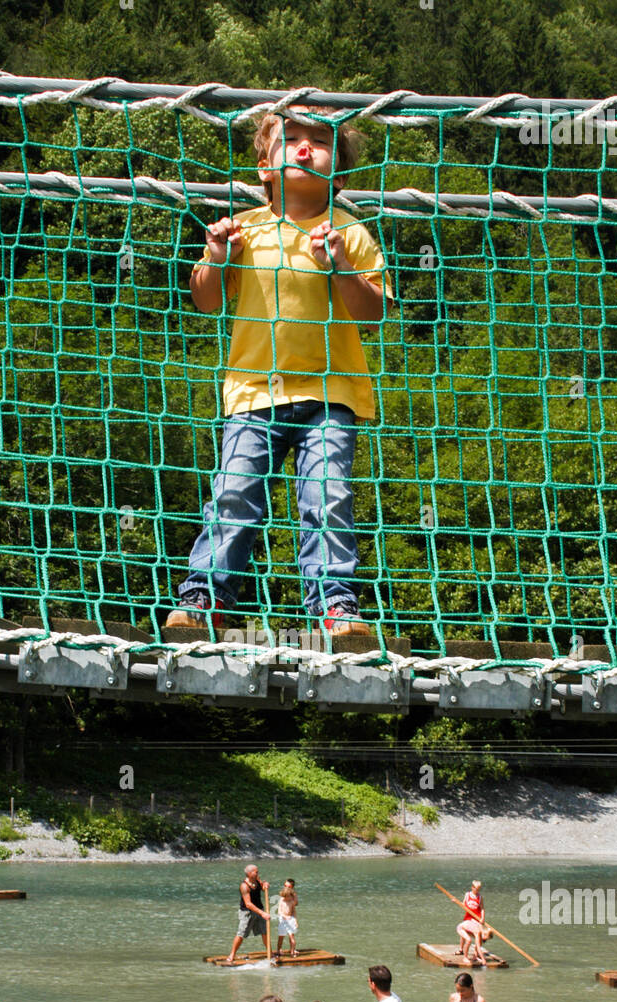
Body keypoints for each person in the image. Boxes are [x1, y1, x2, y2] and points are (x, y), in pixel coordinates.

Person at [166, 105, 392, 639]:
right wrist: (219, 254)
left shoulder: (350, 233)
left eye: (320, 140)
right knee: (235, 492)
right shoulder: (242, 229)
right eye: (292, 139)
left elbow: (375, 312)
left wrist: (338, 266)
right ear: (265, 167)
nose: (307, 148)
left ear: (337, 169)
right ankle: (205, 598)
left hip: (330, 392)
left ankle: (334, 605)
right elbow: (205, 299)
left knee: (328, 497)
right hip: (251, 393)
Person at [226, 864, 270, 963]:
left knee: (264, 932)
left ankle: (270, 952)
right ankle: (232, 954)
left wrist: (265, 885)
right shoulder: (244, 886)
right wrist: (262, 913)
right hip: (247, 912)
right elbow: (248, 904)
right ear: (250, 873)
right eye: (256, 872)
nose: (258, 873)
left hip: (259, 910)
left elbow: (262, 887)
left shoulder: (257, 879)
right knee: (241, 933)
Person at [456, 879, 491, 964]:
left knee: (478, 937)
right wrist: (457, 902)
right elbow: (463, 904)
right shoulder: (467, 895)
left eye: (479, 889)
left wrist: (482, 918)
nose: (477, 890)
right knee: (465, 933)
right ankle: (461, 949)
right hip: (468, 917)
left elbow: (482, 908)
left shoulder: (479, 897)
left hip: (476, 919)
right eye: (476, 888)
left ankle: (476, 955)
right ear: (472, 887)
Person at [275, 878, 299, 958]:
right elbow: (279, 911)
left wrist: (295, 920)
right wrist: (283, 916)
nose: (286, 887)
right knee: (281, 935)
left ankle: (292, 950)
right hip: (283, 918)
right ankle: (279, 949)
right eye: (285, 885)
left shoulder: (293, 896)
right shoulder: (282, 898)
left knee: (291, 935)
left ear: (292, 886)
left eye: (288, 886)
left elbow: (295, 906)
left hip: (290, 918)